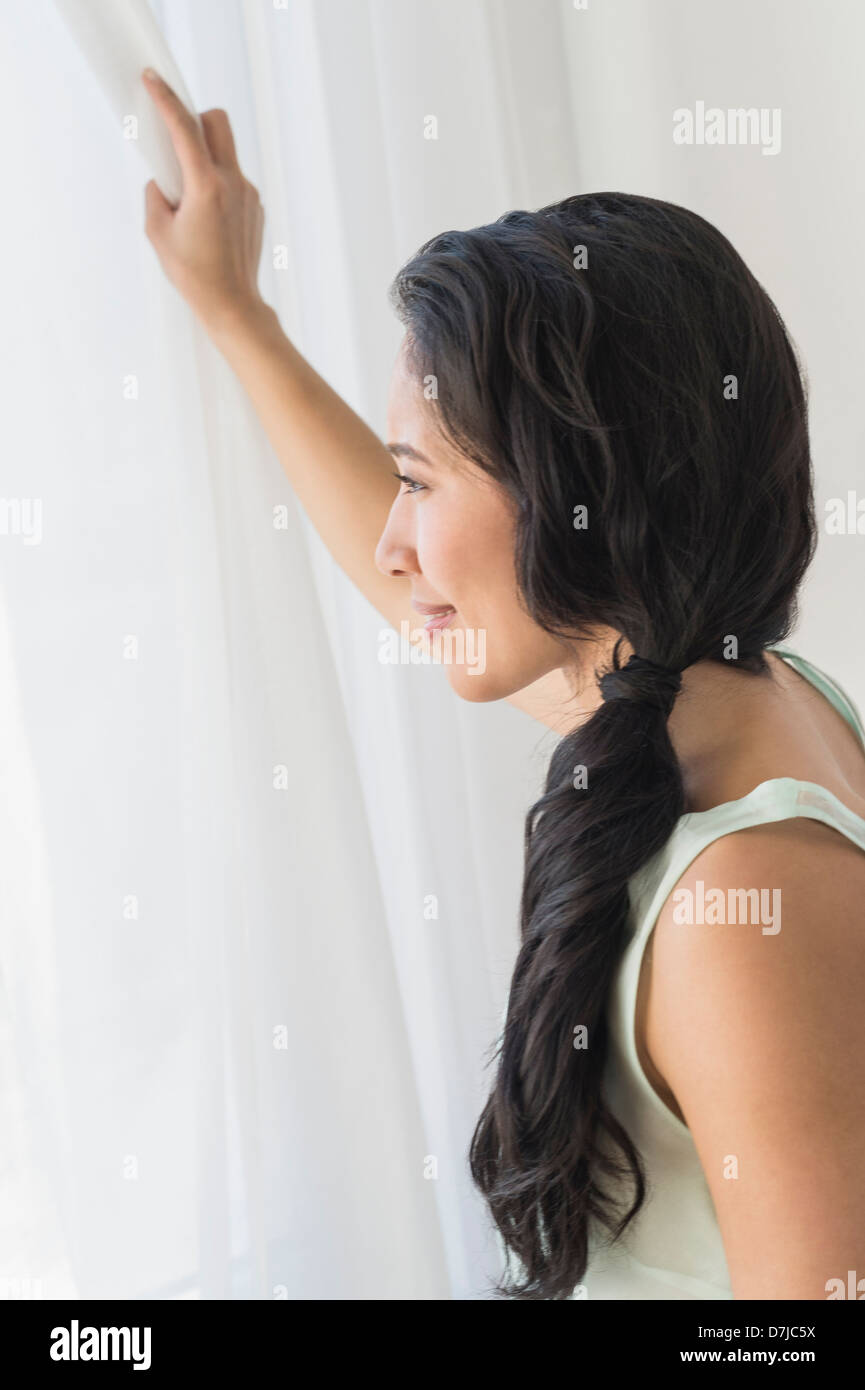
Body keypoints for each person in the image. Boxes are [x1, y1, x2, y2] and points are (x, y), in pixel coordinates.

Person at [141, 68, 865, 1301]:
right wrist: (235, 312)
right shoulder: (720, 693)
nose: (393, 540)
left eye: (420, 483)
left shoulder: (747, 904)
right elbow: (419, 586)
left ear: (576, 501)